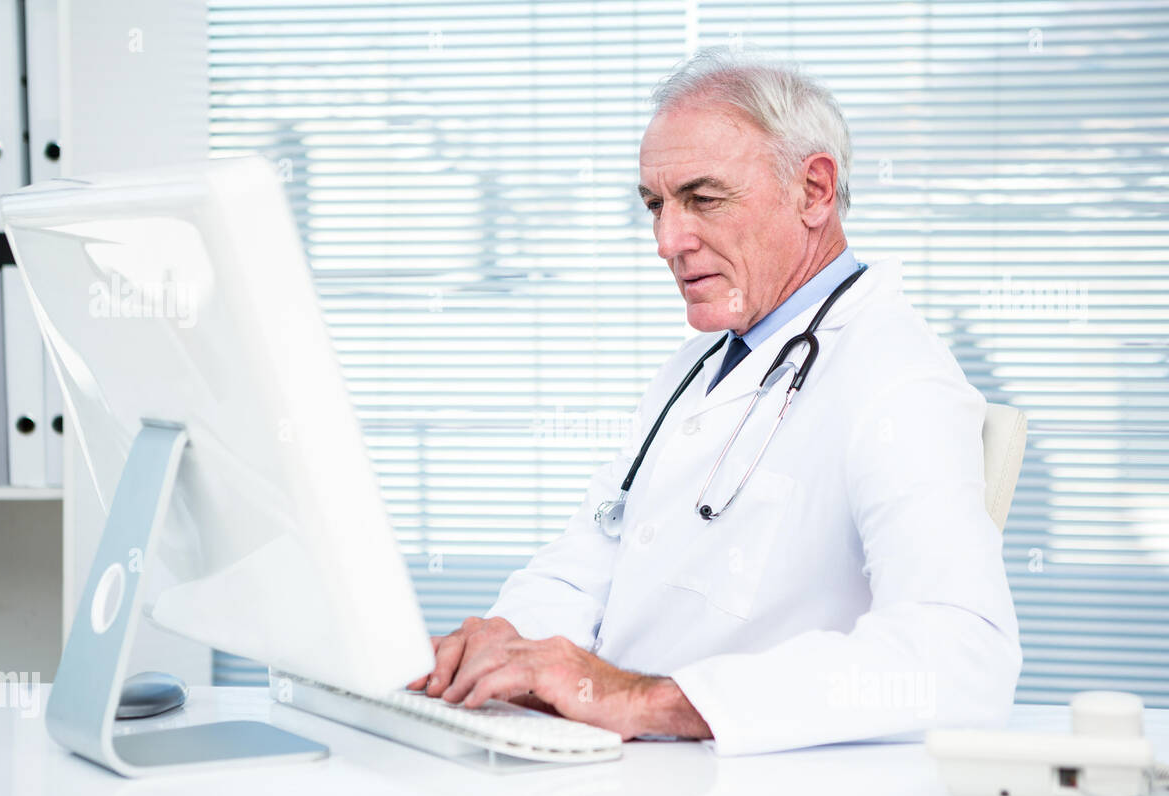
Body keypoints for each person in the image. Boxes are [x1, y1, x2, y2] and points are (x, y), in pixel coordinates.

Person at [408, 49, 1022, 756]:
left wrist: (642, 698)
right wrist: (505, 653)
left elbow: (961, 654)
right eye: (655, 205)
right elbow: (589, 560)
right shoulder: (700, 365)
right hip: (613, 769)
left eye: (703, 199)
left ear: (814, 190)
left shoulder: (897, 378)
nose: (668, 240)